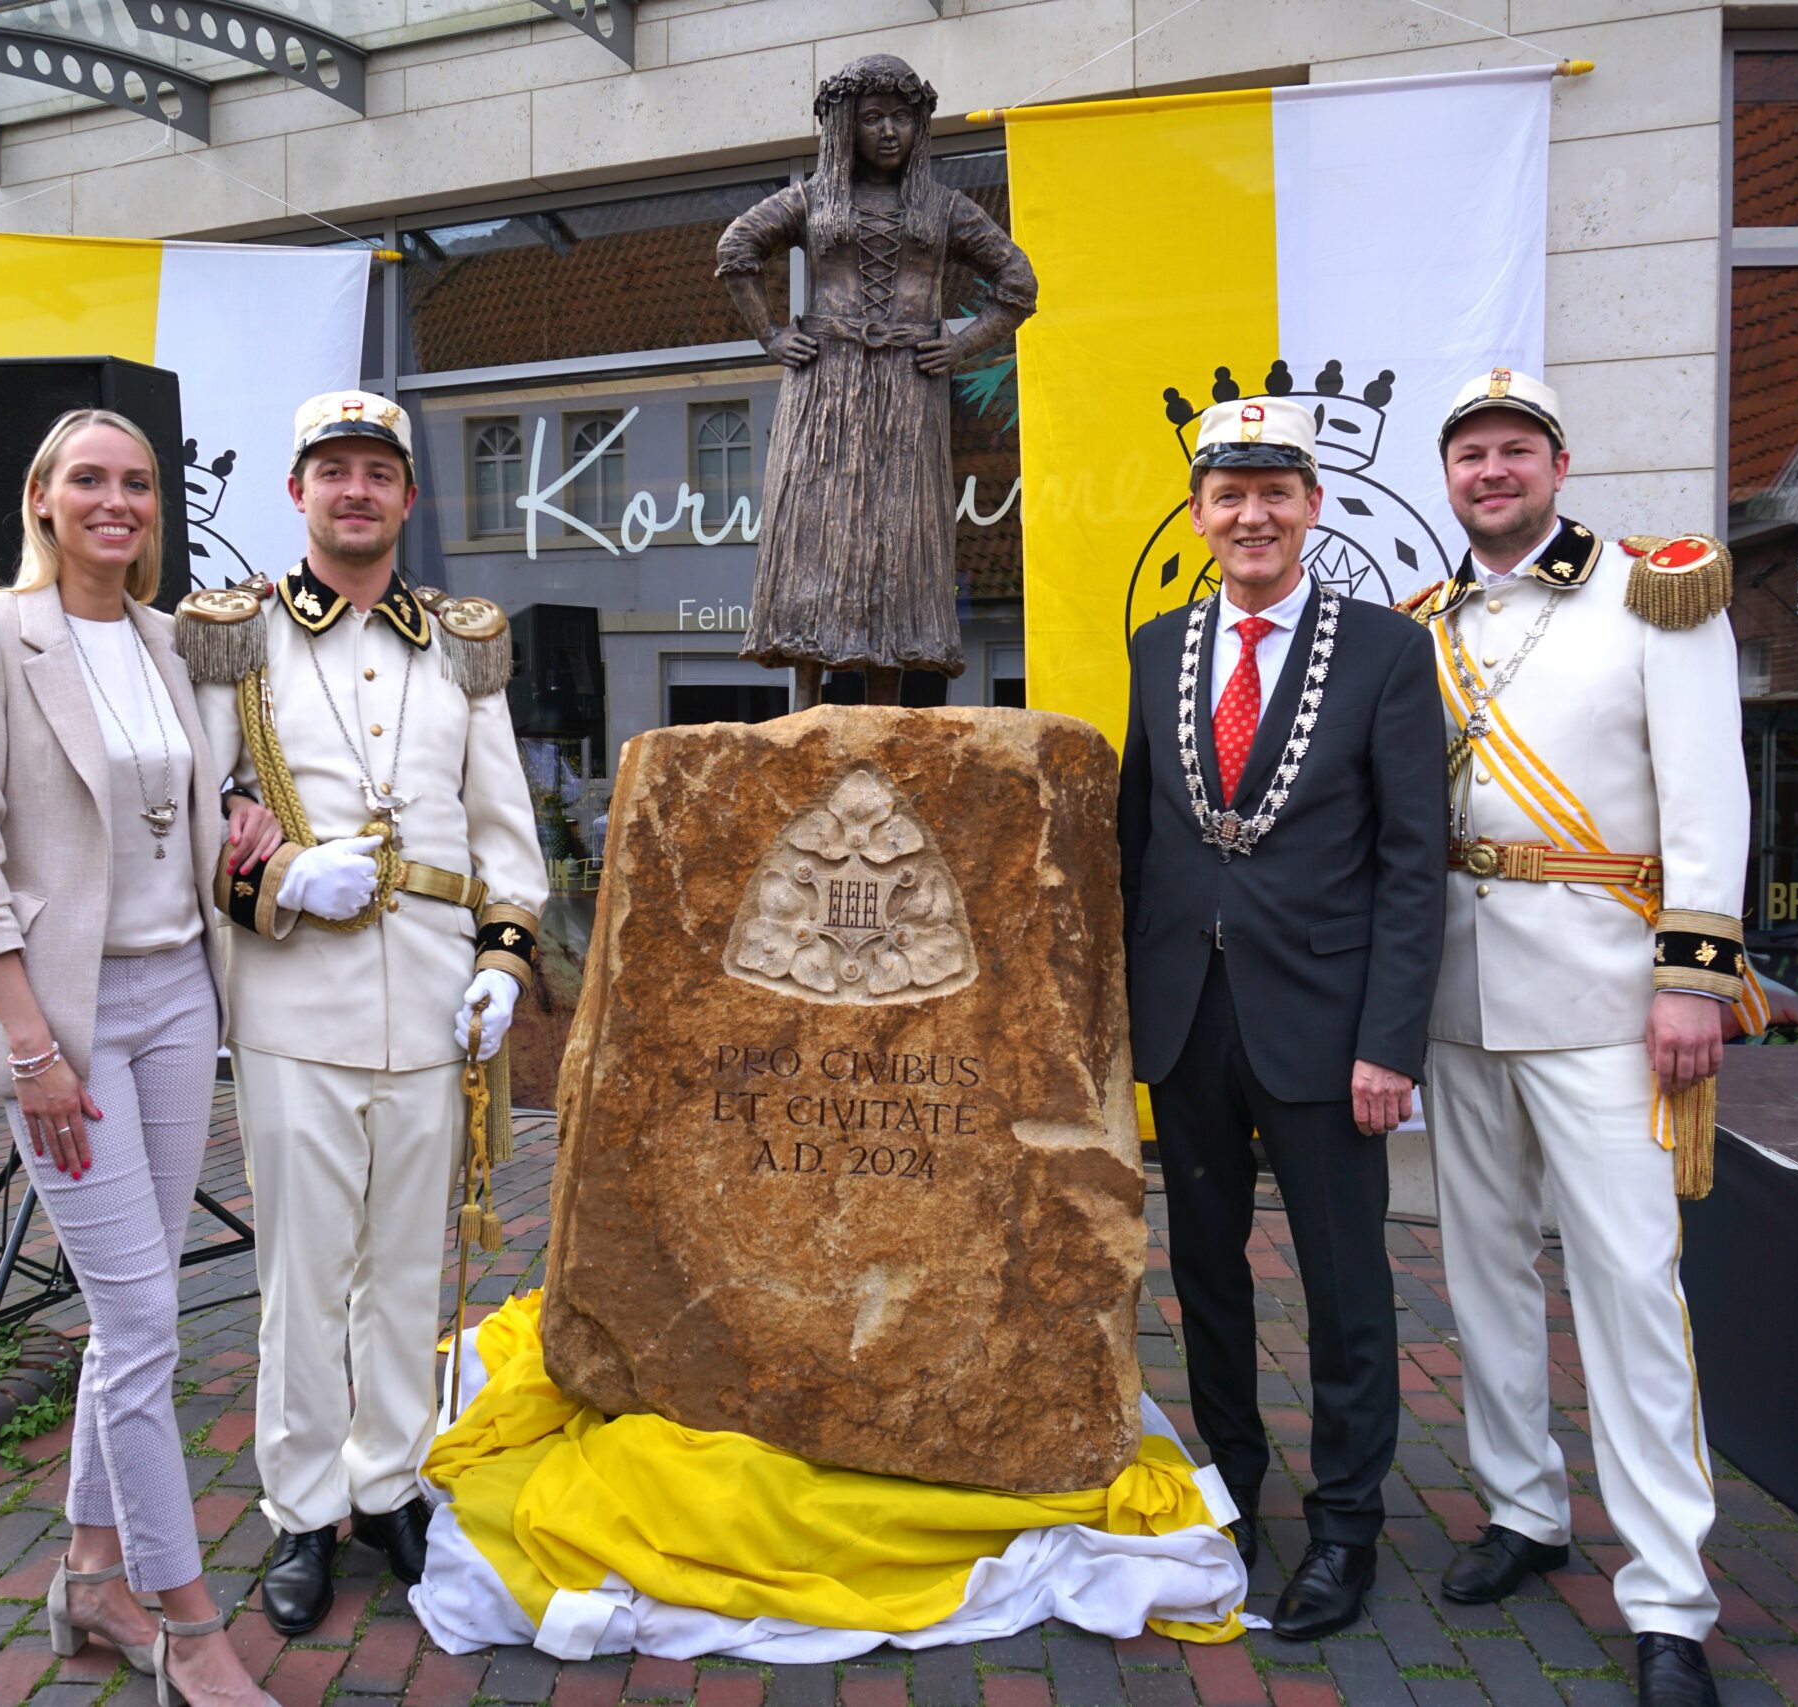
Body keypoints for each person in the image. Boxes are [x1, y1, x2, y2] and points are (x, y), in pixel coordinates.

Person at [0, 408, 276, 1707]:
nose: (115, 500)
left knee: (135, 1314)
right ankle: (188, 1622)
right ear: (43, 498)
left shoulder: (174, 642)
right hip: (62, 1022)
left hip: (179, 996)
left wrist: (253, 828)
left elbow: (199, 803)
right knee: (142, 1328)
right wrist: (31, 1049)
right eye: (89, 479)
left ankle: (87, 1575)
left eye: (135, 481)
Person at [176, 391, 546, 1637]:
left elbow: (502, 826)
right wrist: (279, 879)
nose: (355, 491)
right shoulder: (236, 637)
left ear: (407, 497)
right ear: (297, 493)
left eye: (377, 472)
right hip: (294, 996)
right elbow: (186, 815)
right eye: (331, 470)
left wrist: (503, 960)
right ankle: (300, 1507)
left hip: (434, 997)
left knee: (405, 1266)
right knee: (304, 1272)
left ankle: (388, 1486)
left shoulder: (460, 645)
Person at [1410, 369, 1744, 1707]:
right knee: (1480, 1268)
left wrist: (1694, 977)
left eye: (1514, 449)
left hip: (1607, 993)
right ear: (1450, 477)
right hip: (1457, 988)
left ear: (1557, 464)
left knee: (1627, 1283)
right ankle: (1522, 1508)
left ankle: (1667, 1595)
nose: (1491, 472)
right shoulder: (1425, 624)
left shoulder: (1657, 592)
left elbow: (1707, 794)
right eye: (1470, 454)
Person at [1116, 398, 1445, 1641]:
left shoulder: (1386, 650)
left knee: (1344, 1283)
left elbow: (1413, 861)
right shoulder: (1158, 644)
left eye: (1273, 493)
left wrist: (1389, 1042)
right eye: (1228, 496)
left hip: (1325, 1025)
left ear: (1311, 505)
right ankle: (1234, 1494)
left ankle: (1346, 1524)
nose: (1250, 516)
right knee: (1203, 1276)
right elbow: (1138, 836)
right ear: (1198, 515)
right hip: (1185, 1016)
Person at [716, 53, 1036, 707]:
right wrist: (771, 334)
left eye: (902, 118)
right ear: (844, 127)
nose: (889, 132)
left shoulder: (943, 207)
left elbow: (1018, 283)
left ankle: (886, 703)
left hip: (908, 388)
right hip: (825, 383)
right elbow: (736, 248)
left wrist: (961, 342)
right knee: (815, 528)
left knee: (898, 533)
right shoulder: (813, 199)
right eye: (871, 119)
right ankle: (804, 699)